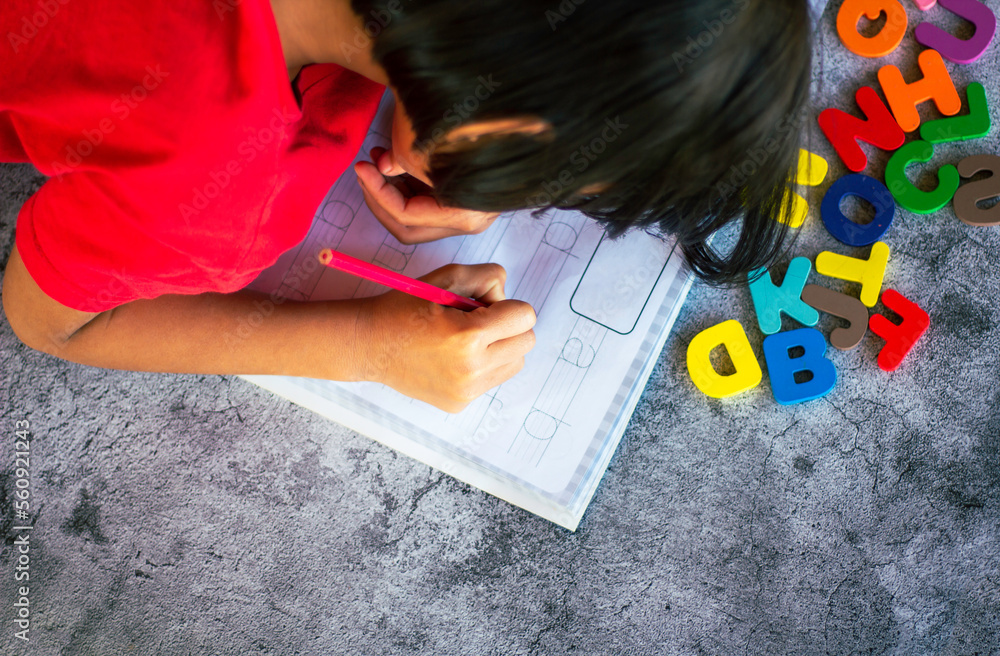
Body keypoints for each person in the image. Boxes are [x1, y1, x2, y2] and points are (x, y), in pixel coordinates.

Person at [1, 0, 811, 413]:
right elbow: (53, 323)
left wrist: (446, 111)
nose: (529, 207)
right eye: (556, 189)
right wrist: (365, 348)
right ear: (497, 127)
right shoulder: (214, 183)